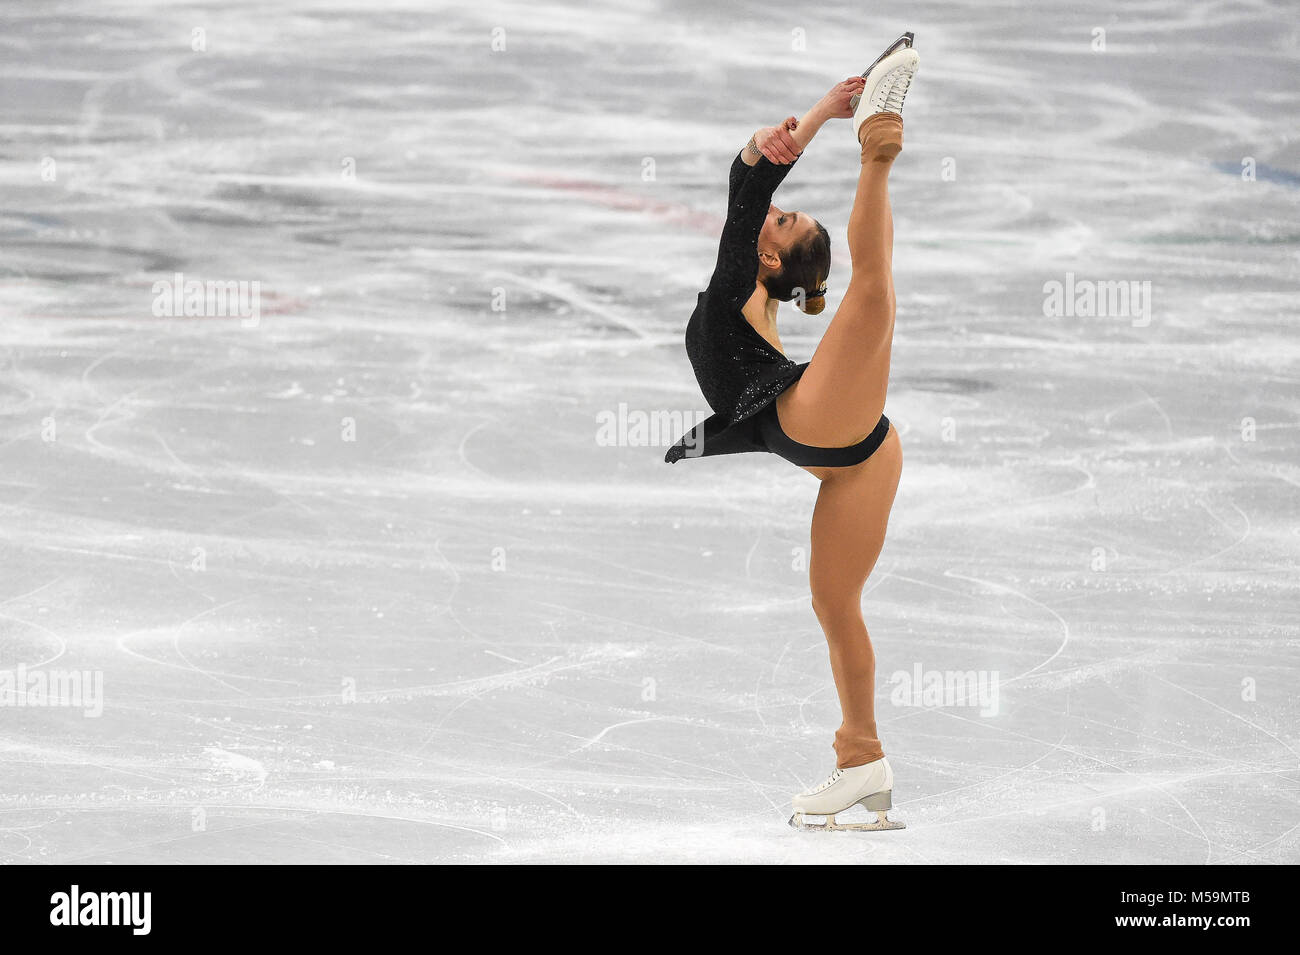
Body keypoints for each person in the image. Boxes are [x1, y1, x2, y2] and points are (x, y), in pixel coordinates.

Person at [665, 34, 920, 831]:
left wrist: (825, 122)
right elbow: (749, 183)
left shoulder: (741, 288)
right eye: (783, 212)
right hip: (856, 462)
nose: (763, 220)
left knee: (873, 294)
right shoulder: (745, 298)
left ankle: (878, 144)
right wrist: (807, 116)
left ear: (769, 257)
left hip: (822, 428)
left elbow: (745, 187)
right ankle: (862, 761)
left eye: (780, 219)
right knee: (835, 602)